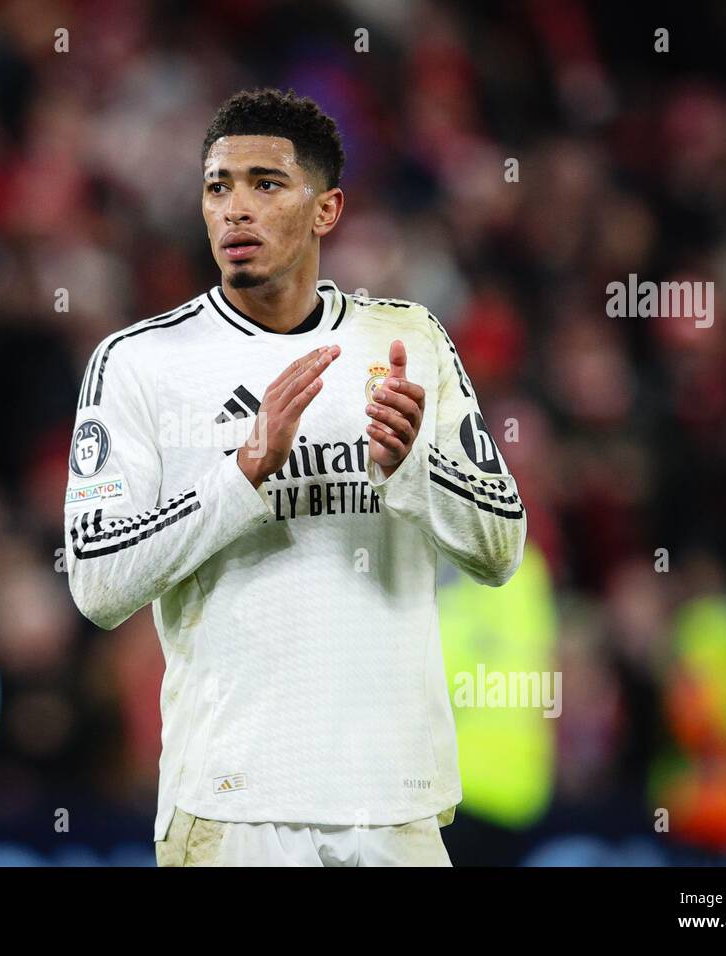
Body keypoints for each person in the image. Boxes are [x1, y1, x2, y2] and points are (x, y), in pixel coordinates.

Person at [63, 88, 526, 867]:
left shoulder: (406, 341)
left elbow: (500, 547)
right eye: (218, 187)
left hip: (396, 801)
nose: (235, 208)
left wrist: (415, 467)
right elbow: (98, 582)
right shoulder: (141, 362)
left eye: (265, 184)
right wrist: (242, 476)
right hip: (233, 802)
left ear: (327, 210)